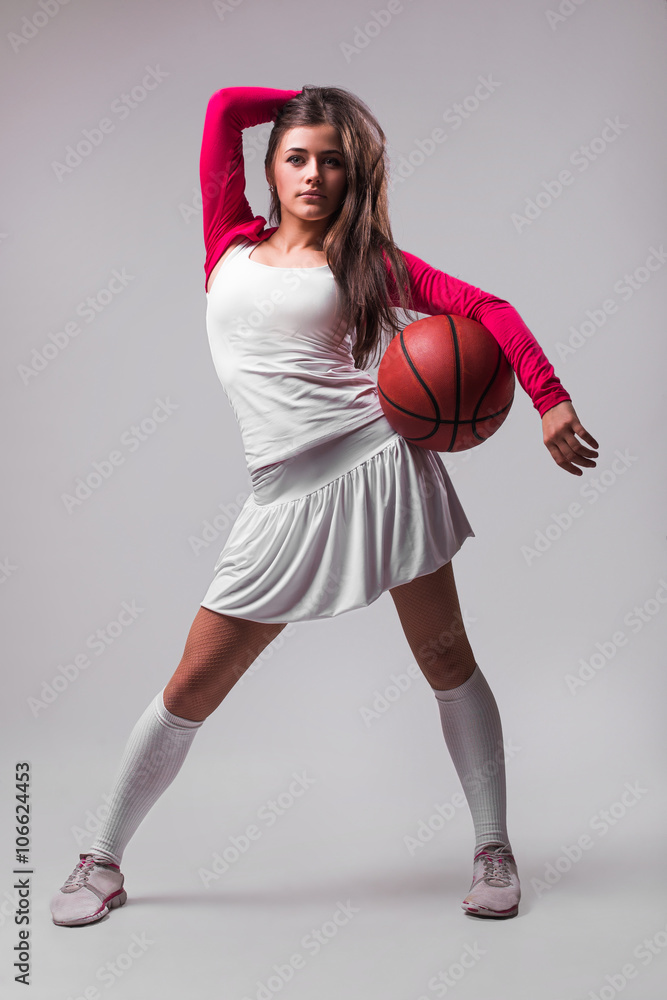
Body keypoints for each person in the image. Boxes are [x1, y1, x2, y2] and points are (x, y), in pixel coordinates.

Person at [50, 84, 599, 927]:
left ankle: (493, 848)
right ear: (270, 167)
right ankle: (102, 859)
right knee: (194, 681)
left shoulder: (366, 262)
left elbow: (485, 308)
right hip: (281, 497)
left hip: (382, 465)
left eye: (332, 159)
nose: (312, 173)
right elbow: (224, 107)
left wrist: (548, 397)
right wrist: (316, 99)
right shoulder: (227, 241)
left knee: (446, 660)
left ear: (350, 176)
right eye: (297, 155)